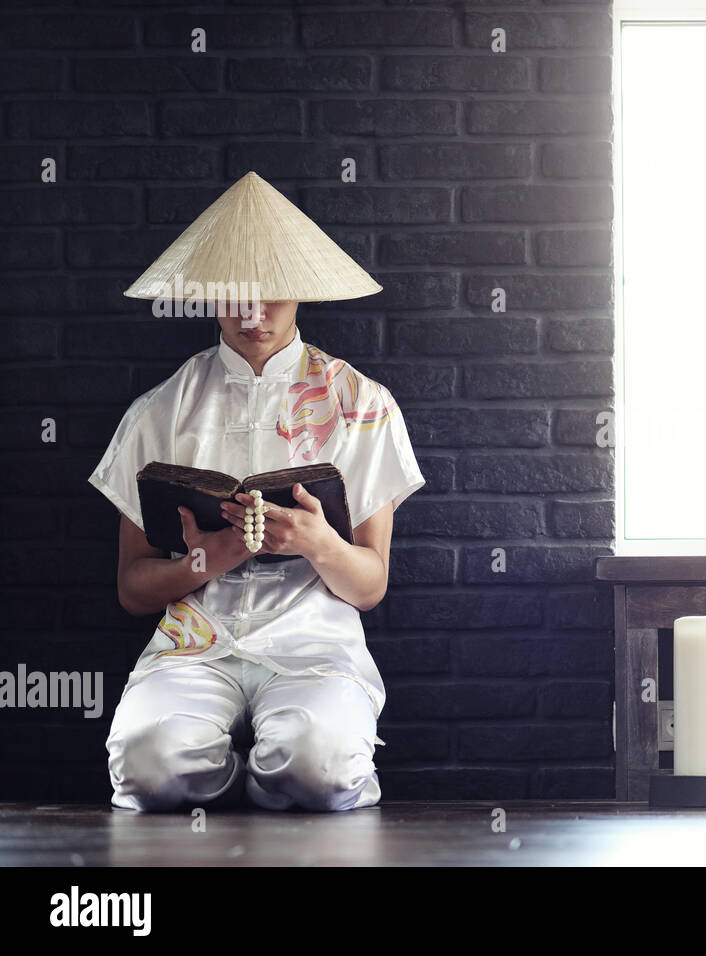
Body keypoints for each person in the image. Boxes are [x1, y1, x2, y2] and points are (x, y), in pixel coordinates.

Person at [88, 172, 424, 811]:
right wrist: (207, 558)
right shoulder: (159, 412)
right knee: (146, 766)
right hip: (195, 641)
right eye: (235, 295)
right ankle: (219, 772)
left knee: (318, 767)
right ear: (210, 296)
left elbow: (370, 586)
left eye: (271, 294)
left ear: (300, 290)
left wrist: (321, 543)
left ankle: (278, 775)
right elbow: (132, 590)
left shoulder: (362, 406)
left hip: (315, 642)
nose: (253, 313)